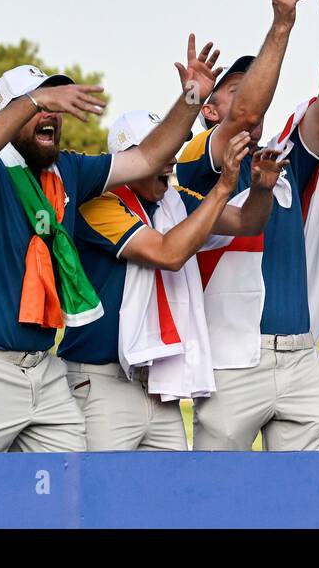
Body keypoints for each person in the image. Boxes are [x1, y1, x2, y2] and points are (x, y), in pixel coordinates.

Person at [0, 36, 221, 452]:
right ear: (6, 116)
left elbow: (148, 159)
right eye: (36, 105)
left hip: (42, 369)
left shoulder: (69, 169)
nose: (51, 113)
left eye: (52, 106)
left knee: (69, 492)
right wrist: (37, 100)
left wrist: (190, 98)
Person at [177, 0, 319, 451]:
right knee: (219, 502)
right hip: (234, 361)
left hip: (300, 356)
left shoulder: (286, 157)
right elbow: (246, 116)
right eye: (238, 87)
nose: (255, 93)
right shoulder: (197, 161)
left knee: (307, 504)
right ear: (209, 109)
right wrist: (281, 25)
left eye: (261, 80)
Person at [59, 110, 280, 451]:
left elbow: (247, 222)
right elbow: (168, 254)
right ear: (130, 159)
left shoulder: (174, 200)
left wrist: (262, 190)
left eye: (173, 147)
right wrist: (223, 188)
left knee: (168, 495)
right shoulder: (98, 203)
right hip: (101, 380)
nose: (172, 158)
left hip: (157, 384)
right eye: (160, 150)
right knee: (103, 499)